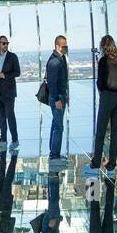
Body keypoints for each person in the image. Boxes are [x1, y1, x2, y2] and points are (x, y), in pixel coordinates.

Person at [88, 35, 117, 177]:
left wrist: (102, 92)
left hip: (107, 97)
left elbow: (101, 82)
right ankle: (112, 164)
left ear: (103, 46)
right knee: (115, 133)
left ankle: (97, 161)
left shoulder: (103, 61)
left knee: (101, 132)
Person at [45, 34, 69, 164]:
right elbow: (52, 83)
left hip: (61, 95)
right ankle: (54, 155)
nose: (66, 48)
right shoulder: (55, 61)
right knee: (58, 127)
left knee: (56, 125)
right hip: (57, 97)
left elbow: (63, 79)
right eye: (64, 46)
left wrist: (66, 95)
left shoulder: (61, 58)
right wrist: (57, 99)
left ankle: (54, 153)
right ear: (57, 46)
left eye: (66, 45)